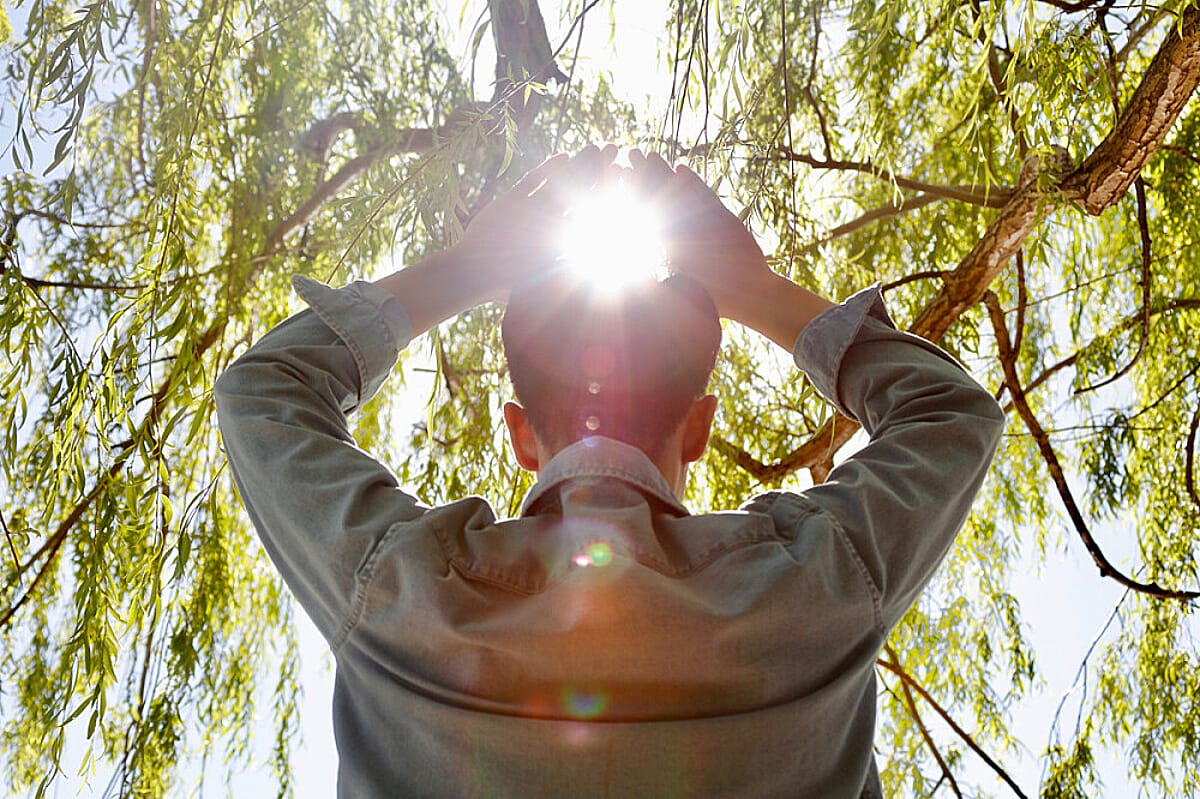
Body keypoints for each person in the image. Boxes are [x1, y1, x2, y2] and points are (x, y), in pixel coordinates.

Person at [215, 145, 1006, 798]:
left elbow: (264, 391)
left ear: (522, 434)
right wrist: (754, 290)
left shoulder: (403, 590)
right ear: (699, 429)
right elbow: (951, 416)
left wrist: (466, 270)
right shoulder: (815, 583)